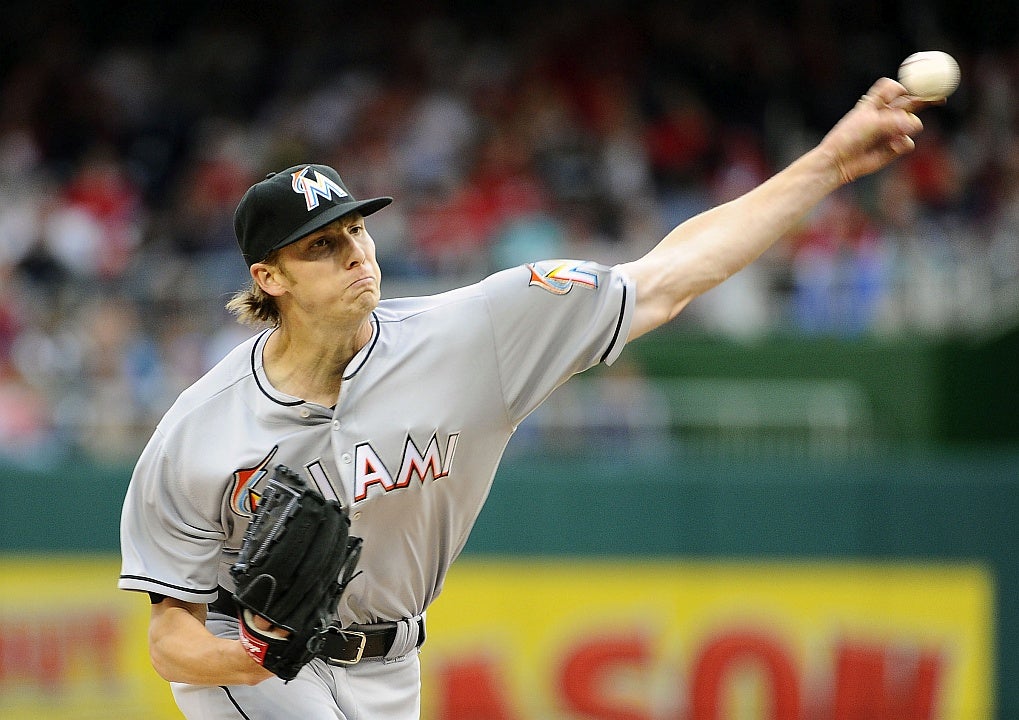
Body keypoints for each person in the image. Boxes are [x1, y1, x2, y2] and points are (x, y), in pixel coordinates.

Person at [118, 78, 930, 719]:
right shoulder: (201, 429)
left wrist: (826, 163)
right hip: (253, 667)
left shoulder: (474, 337)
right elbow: (169, 641)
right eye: (322, 247)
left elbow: (664, 280)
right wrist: (258, 651)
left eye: (356, 230)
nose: (356, 253)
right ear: (270, 278)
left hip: (392, 665)